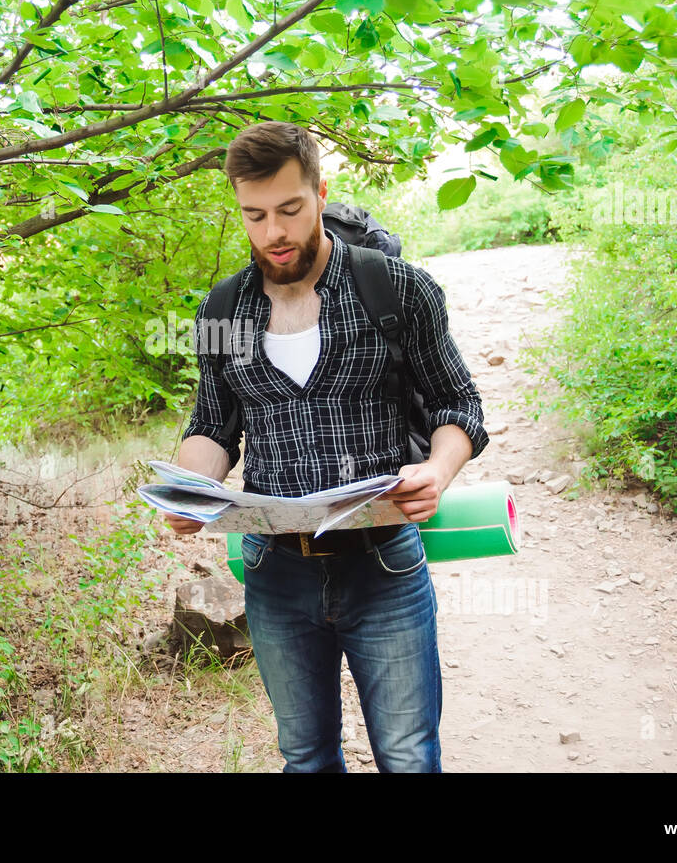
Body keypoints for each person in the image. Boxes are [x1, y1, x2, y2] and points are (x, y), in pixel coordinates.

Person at [162, 121, 489, 772]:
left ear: (320, 191)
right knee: (306, 758)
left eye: (289, 209)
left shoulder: (398, 290)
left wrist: (436, 469)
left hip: (386, 568)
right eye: (253, 215)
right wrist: (189, 485)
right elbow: (213, 427)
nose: (273, 233)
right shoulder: (223, 309)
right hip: (274, 576)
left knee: (407, 757)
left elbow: (461, 407)